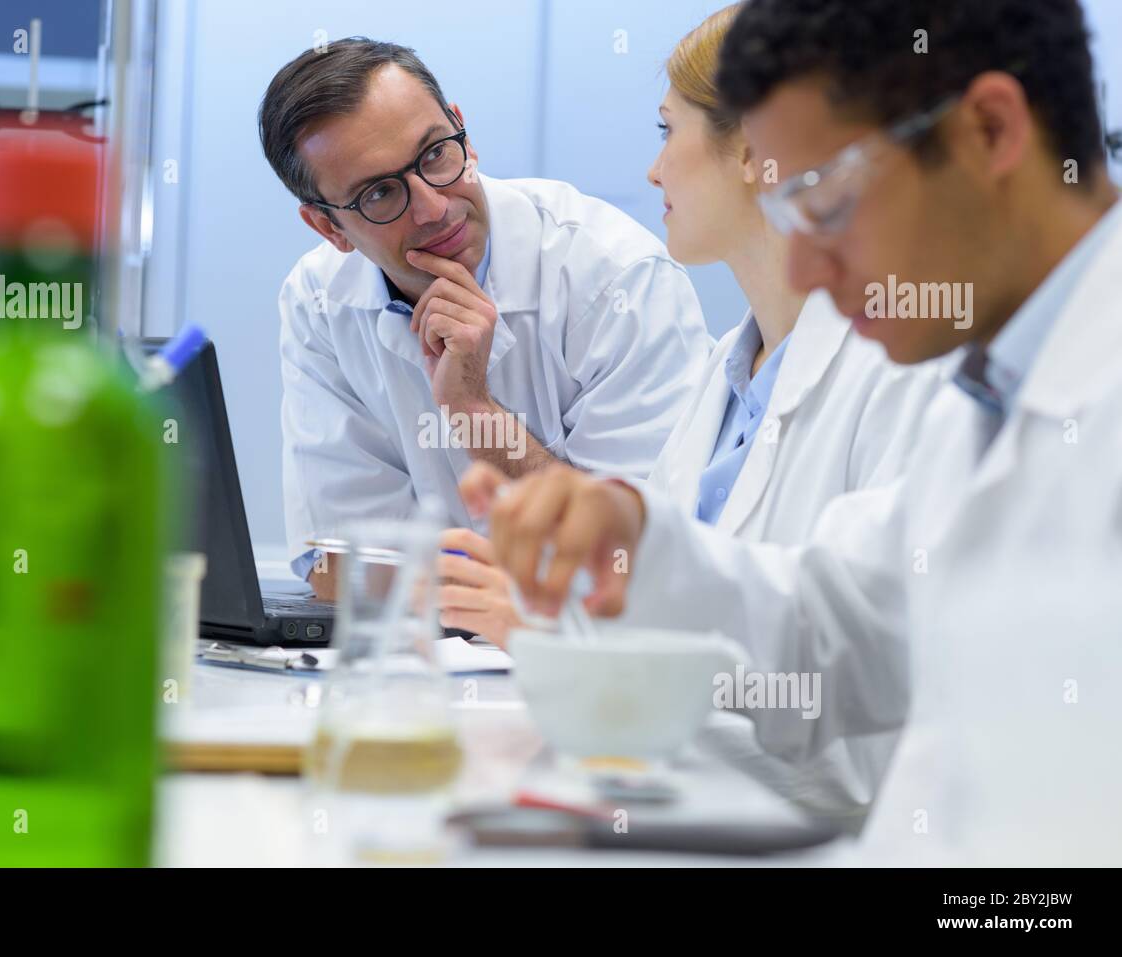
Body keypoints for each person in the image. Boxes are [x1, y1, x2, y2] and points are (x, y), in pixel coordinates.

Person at [462, 0, 1122, 864]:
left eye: (825, 200)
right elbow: (839, 628)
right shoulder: (994, 386)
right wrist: (640, 538)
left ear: (988, 131)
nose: (804, 266)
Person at [261, 38, 712, 599]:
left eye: (434, 156)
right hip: (436, 663)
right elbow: (336, 558)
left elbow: (641, 561)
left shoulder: (617, 276)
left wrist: (474, 410)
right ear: (329, 229)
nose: (433, 207)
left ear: (463, 132)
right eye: (379, 193)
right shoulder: (318, 301)